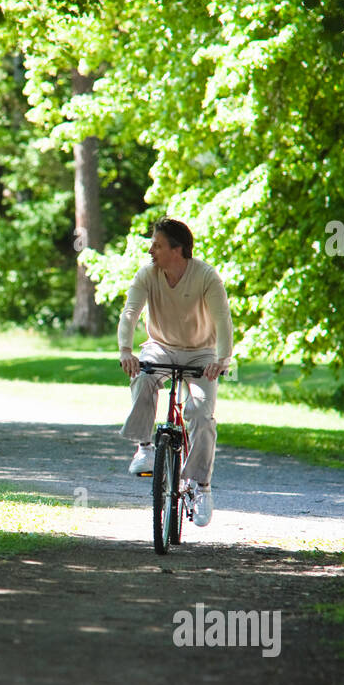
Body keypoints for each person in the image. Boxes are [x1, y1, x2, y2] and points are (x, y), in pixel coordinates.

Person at [118, 217, 233, 527]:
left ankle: (201, 487)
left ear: (177, 249)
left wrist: (222, 359)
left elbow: (223, 321)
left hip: (201, 353)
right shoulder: (148, 274)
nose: (151, 250)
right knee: (143, 377)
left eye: (157, 245)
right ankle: (144, 447)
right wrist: (126, 351)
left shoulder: (206, 276)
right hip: (160, 346)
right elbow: (130, 313)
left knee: (200, 413)